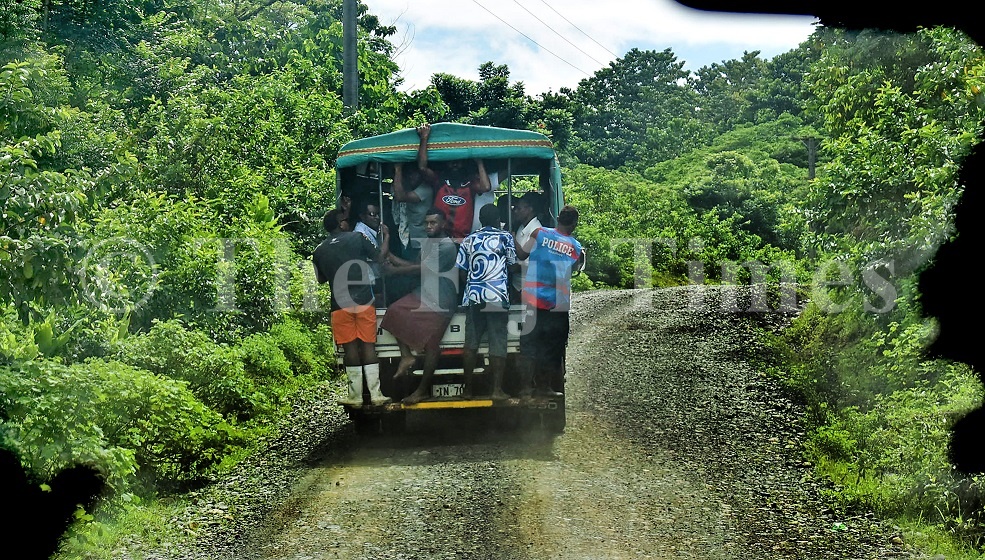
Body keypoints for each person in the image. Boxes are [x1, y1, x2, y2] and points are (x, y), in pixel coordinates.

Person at [380, 208, 460, 405]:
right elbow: (411, 264)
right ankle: (406, 356)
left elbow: (420, 270)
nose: (428, 227)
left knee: (433, 345)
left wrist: (392, 272)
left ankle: (422, 390)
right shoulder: (428, 244)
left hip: (442, 299)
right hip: (424, 294)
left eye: (433, 223)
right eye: (426, 223)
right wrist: (390, 255)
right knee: (393, 312)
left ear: (442, 225)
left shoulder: (447, 246)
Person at [312, 209, 392, 406]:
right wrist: (387, 236)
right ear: (341, 224)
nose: (348, 222)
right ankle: (376, 394)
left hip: (339, 304)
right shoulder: (358, 237)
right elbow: (379, 257)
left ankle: (355, 396)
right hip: (364, 300)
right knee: (367, 344)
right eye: (346, 220)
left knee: (350, 348)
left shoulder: (319, 250)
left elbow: (321, 279)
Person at [514, 204, 584, 400]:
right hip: (556, 305)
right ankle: (543, 387)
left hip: (532, 300)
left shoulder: (539, 233)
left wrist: (511, 236)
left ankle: (525, 388)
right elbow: (570, 272)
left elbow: (521, 255)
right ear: (574, 224)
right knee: (552, 347)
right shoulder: (575, 248)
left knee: (528, 344)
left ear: (558, 219)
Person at [455, 203, 518, 400]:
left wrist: (475, 285)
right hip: (497, 296)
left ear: (481, 220)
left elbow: (461, 271)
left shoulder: (469, 240)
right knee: (497, 342)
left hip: (474, 296)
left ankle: (467, 390)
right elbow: (513, 265)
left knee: (471, 344)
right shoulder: (505, 237)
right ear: (497, 219)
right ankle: (497, 390)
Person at [416, 123, 492, 242]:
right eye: (452, 161)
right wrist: (424, 138)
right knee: (429, 261)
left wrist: (479, 162)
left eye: (459, 161)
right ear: (446, 163)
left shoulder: (469, 183)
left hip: (461, 240)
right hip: (437, 238)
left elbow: (486, 187)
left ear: (464, 163)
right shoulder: (439, 180)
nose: (455, 164)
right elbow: (422, 168)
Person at [509, 191, 544, 304]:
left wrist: (513, 239)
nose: (515, 211)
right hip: (517, 285)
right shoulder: (521, 227)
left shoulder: (537, 230)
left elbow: (529, 261)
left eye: (519, 208)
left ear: (530, 209)